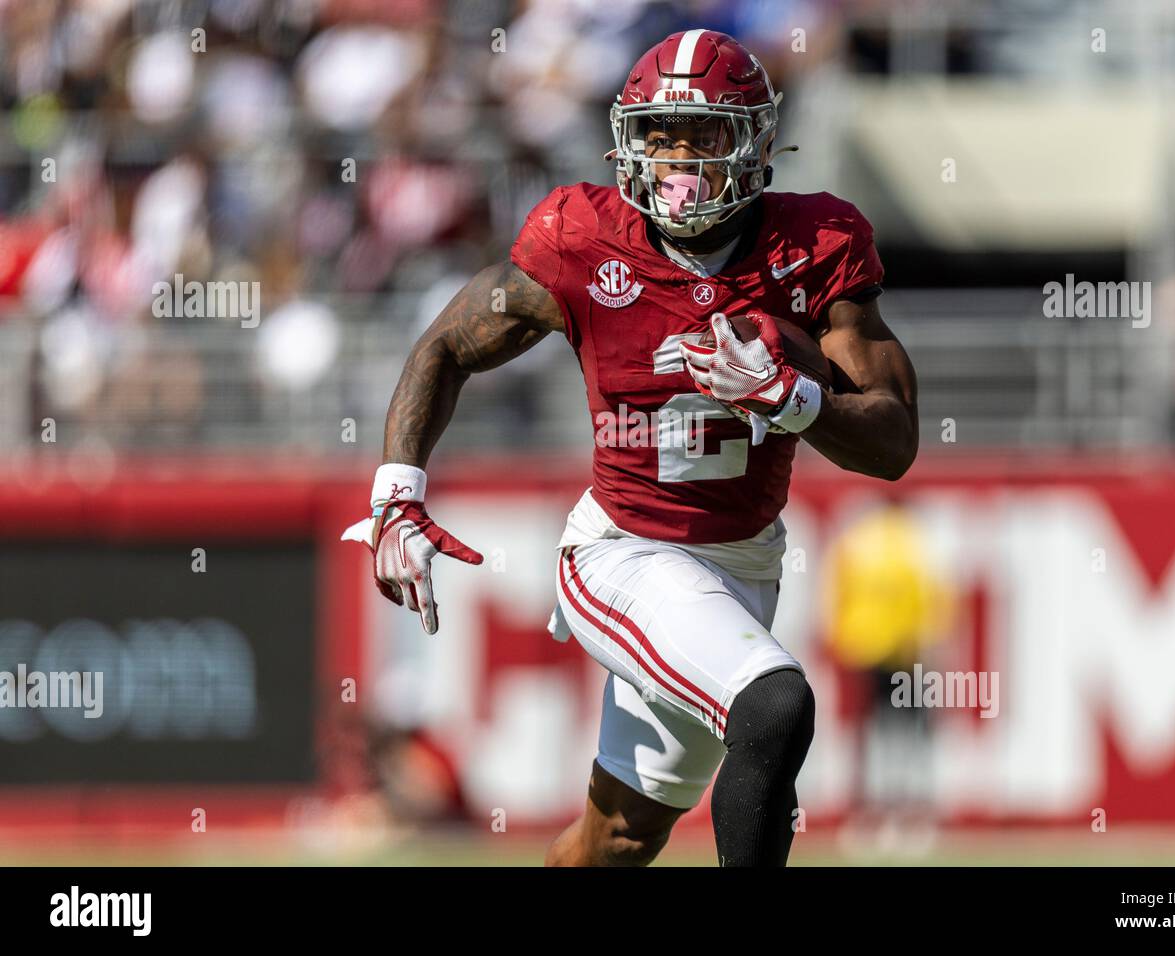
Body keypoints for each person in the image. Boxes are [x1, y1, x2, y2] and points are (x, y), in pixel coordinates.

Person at [343, 29, 918, 867]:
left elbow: (894, 440)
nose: (678, 157)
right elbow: (445, 347)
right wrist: (396, 491)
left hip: (743, 563)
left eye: (703, 134)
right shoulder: (584, 237)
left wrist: (792, 398)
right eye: (659, 134)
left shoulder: (814, 243)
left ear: (756, 143)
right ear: (627, 139)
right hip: (619, 553)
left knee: (614, 842)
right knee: (774, 704)